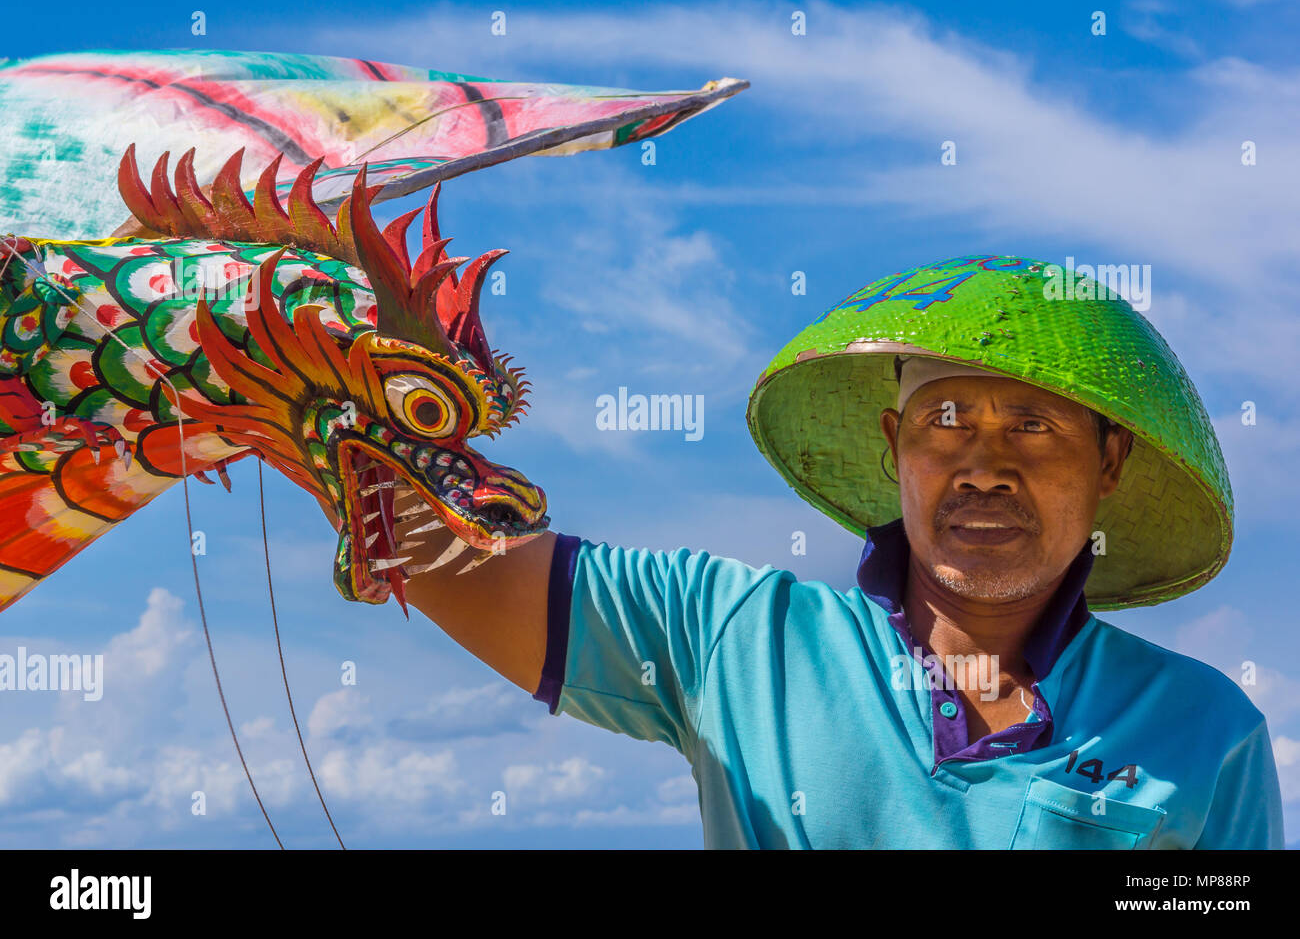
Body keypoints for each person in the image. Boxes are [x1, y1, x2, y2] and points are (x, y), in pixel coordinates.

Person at [393, 254, 1284, 849]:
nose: (985, 468)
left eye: (1033, 428)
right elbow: (443, 554)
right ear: (895, 445)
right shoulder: (729, 636)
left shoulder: (1208, 733)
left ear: (1109, 463)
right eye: (946, 423)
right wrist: (321, 379)